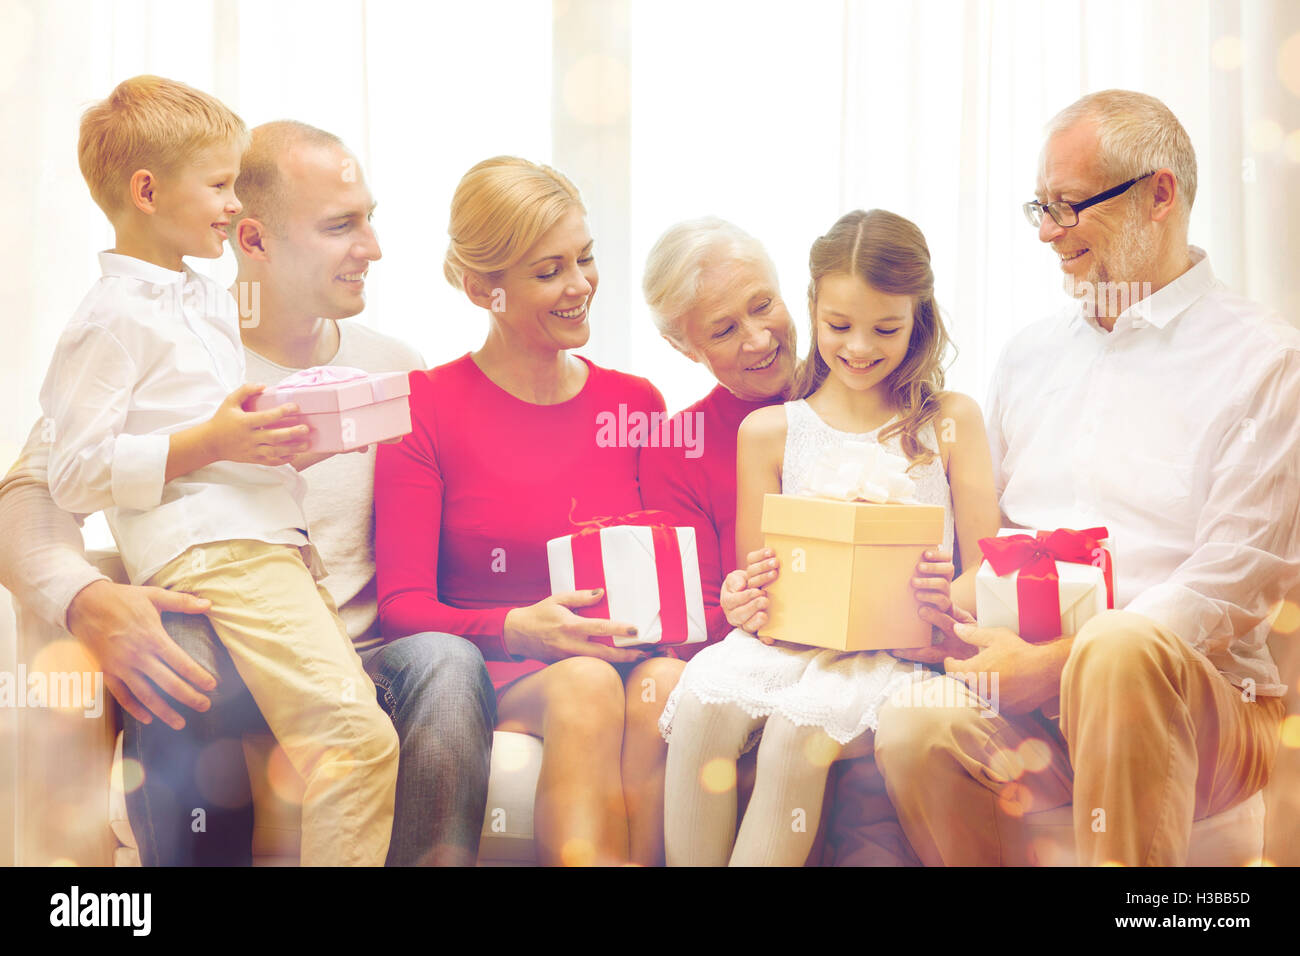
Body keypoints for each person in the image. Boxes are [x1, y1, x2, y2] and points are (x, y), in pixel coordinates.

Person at [1, 108, 496, 865]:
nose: (374, 249)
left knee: (447, 666)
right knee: (182, 646)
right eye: (342, 227)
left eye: (371, 220)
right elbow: (37, 487)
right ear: (254, 240)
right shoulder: (163, 349)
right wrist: (86, 599)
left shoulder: (392, 363)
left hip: (355, 652)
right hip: (225, 649)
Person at [872, 90, 1300, 866]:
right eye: (1039, 207)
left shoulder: (1267, 360)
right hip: (1035, 698)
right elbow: (985, 532)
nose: (1046, 233)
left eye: (1068, 207)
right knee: (914, 724)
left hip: (1197, 703)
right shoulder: (1027, 355)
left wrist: (1060, 663)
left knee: (1118, 648)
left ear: (1159, 194)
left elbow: (1231, 584)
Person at [659, 208, 1000, 866]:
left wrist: (942, 595)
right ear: (810, 307)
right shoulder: (770, 432)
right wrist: (742, 598)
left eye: (886, 328)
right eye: (839, 326)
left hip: (896, 652)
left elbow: (987, 572)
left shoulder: (951, 420)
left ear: (919, 318)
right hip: (790, 646)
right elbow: (757, 583)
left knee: (796, 732)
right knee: (702, 705)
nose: (860, 348)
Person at [374, 156, 674, 866]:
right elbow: (402, 607)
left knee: (662, 685)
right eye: (549, 271)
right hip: (499, 665)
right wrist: (517, 629)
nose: (580, 287)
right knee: (585, 683)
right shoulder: (423, 407)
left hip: (619, 654)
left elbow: (668, 567)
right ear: (485, 288)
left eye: (586, 259)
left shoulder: (636, 405)